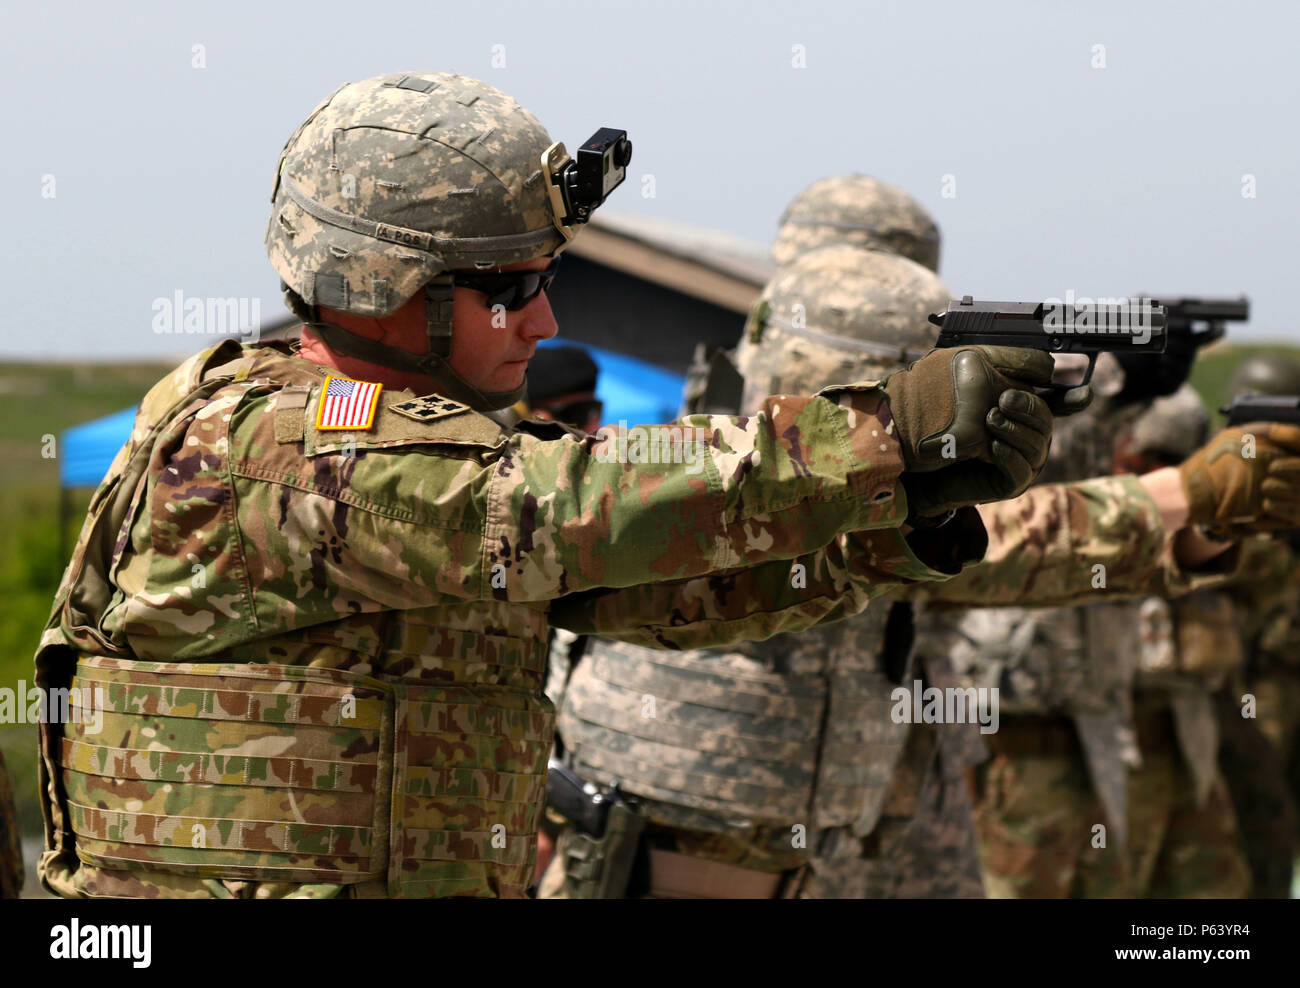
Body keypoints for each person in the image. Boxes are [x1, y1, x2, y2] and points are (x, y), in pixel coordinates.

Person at [32, 73, 1067, 900]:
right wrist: (885, 431)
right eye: (510, 289)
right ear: (380, 287)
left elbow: (657, 590)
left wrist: (891, 526)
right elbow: (553, 510)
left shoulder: (436, 448)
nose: (544, 324)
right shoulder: (266, 442)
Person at [540, 239, 1300, 898]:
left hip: (844, 837)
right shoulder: (712, 489)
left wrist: (1192, 508)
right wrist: (1184, 498)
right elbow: (1008, 545)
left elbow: (988, 545)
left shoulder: (831, 498)